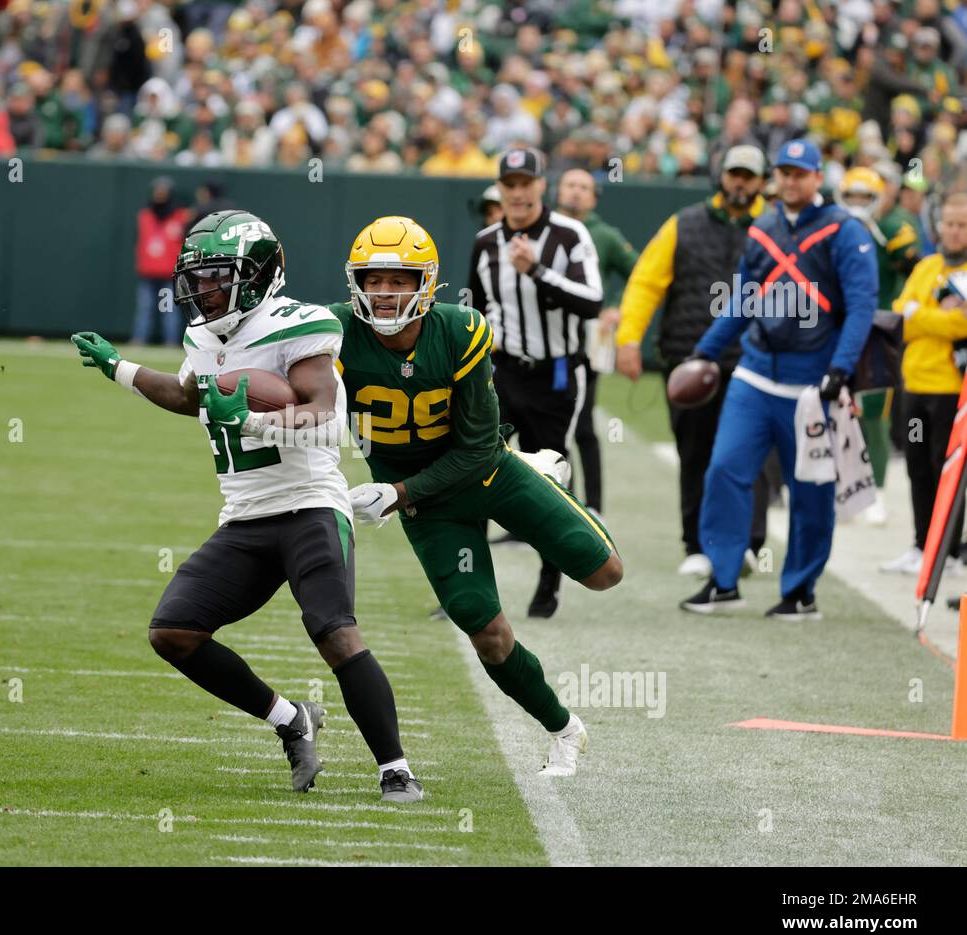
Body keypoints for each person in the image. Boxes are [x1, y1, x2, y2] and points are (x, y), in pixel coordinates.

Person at [70, 210, 422, 802]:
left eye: (216, 277)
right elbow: (189, 397)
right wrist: (119, 368)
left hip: (309, 504)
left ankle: (395, 767)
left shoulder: (299, 324)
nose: (202, 289)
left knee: (333, 632)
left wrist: (254, 419)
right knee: (174, 632)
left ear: (258, 276)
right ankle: (291, 720)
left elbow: (325, 421)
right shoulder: (202, 337)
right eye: (198, 277)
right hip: (244, 514)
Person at [331, 215, 623, 777]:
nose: (385, 293)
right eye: (374, 280)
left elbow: (476, 453)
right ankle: (564, 729)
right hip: (429, 507)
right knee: (484, 630)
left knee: (606, 573)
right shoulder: (335, 331)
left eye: (399, 280)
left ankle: (538, 474)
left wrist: (396, 491)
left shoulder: (460, 330)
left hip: (487, 473)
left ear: (428, 283)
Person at [680, 140, 878, 619]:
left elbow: (861, 306)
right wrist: (704, 350)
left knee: (808, 491)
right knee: (724, 469)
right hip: (754, 375)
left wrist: (840, 368)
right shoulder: (764, 226)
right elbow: (743, 297)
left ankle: (800, 591)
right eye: (784, 173)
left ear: (816, 177)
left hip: (811, 386)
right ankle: (724, 577)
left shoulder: (845, 231)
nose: (791, 181)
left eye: (800, 173)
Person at [616, 145, 772, 578]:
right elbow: (646, 283)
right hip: (689, 357)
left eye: (749, 175)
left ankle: (748, 543)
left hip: (752, 358)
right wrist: (629, 339)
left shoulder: (774, 225)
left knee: (750, 456)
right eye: (734, 173)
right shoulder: (683, 224)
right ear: (720, 176)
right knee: (695, 454)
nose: (740, 182)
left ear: (762, 181)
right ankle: (698, 543)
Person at [468, 147, 603, 618]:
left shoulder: (569, 235)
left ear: (541, 186)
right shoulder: (486, 242)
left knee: (550, 480)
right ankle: (469, 586)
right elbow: (478, 314)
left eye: (527, 183)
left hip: (557, 377)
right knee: (476, 467)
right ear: (501, 190)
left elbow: (592, 302)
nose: (519, 193)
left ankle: (551, 582)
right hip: (504, 374)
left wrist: (538, 272)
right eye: (510, 184)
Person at [882, 193, 967, 575]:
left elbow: (961, 325)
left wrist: (923, 315)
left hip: (950, 390)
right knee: (917, 466)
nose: (953, 231)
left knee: (942, 467)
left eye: (961, 225)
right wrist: (933, 316)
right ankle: (921, 544)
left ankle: (946, 552)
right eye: (948, 223)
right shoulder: (926, 267)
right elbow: (901, 315)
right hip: (914, 387)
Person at [835, 166, 923, 530]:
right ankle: (842, 490)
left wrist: (884, 241)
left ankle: (878, 492)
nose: (857, 205)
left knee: (874, 413)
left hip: (877, 330)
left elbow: (913, 264)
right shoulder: (833, 226)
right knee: (837, 410)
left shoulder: (893, 227)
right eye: (851, 197)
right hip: (838, 329)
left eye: (864, 198)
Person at [557, 166, 637, 515]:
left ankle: (593, 506)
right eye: (570, 185)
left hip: (589, 340)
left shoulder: (604, 235)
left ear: (593, 196)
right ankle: (554, 502)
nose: (575, 192)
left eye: (583, 187)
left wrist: (616, 307)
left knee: (583, 423)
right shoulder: (544, 229)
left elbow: (640, 274)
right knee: (544, 425)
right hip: (544, 340)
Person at [130, 176, 188, 345]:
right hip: (148, 271)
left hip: (168, 273)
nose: (159, 195)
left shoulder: (180, 216)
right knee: (145, 308)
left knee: (168, 309)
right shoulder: (145, 215)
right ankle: (139, 339)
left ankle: (170, 341)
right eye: (157, 192)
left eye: (163, 192)